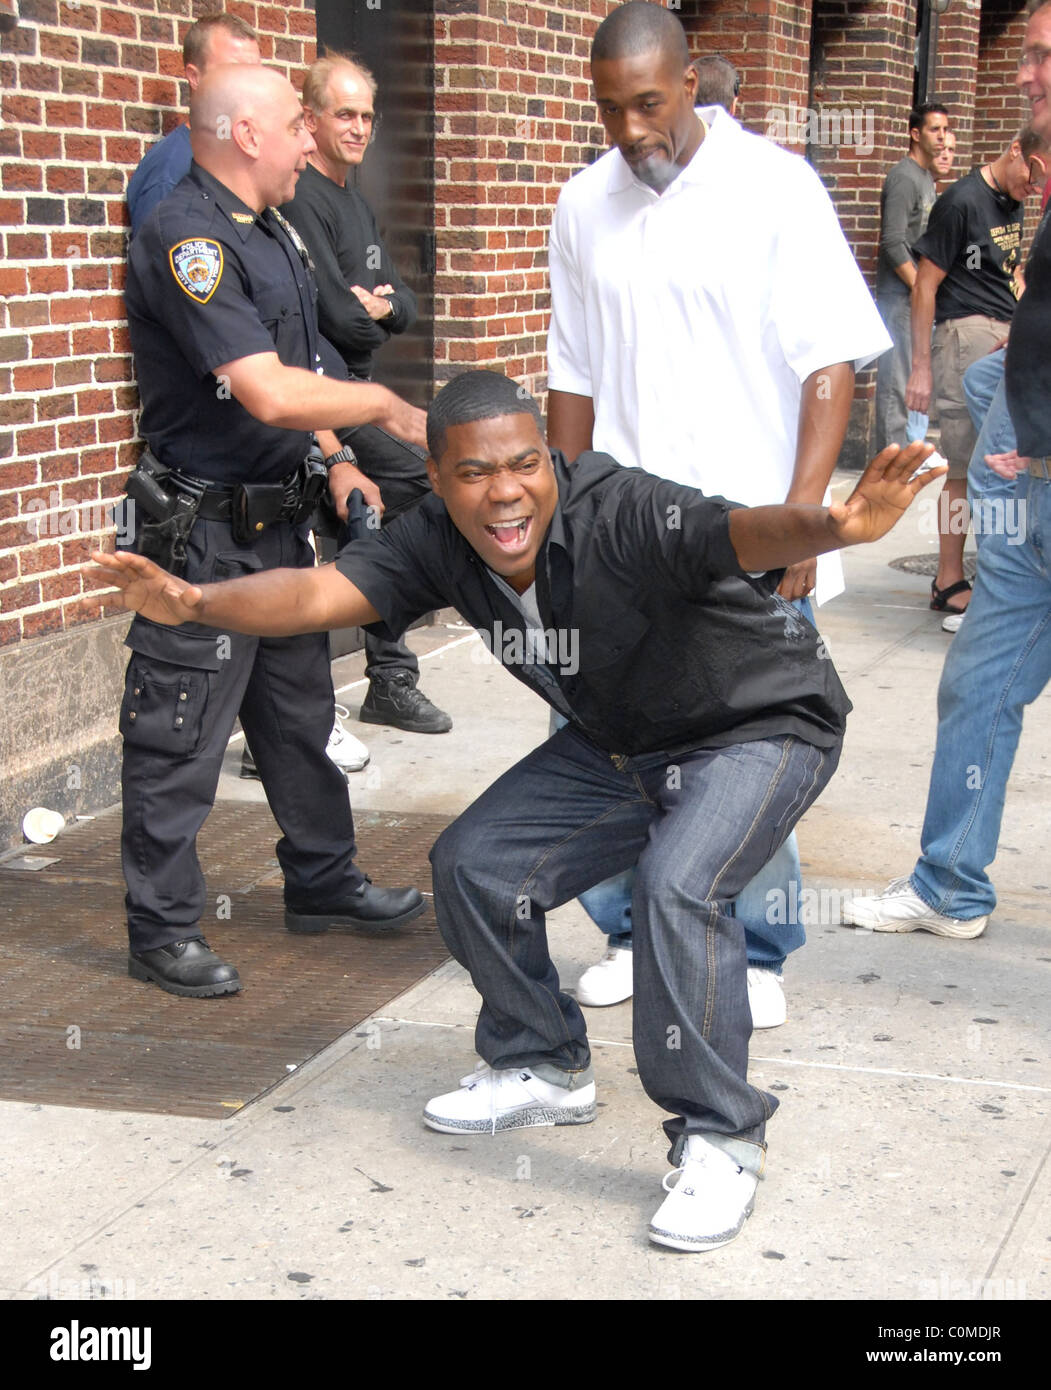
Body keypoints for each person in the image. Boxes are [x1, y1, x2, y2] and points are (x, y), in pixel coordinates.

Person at [92, 370, 946, 1251]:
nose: (505, 490)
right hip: (620, 740)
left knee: (677, 886)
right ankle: (542, 1062)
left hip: (757, 724)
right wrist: (196, 603)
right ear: (437, 477)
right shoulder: (431, 541)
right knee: (475, 864)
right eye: (474, 473)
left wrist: (834, 525)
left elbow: (734, 532)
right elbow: (318, 595)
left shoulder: (620, 509)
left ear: (549, 459)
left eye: (525, 464)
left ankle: (721, 1137)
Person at [546, 1, 890, 1023]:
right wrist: (563, 520)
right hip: (620, 536)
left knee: (753, 738)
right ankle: (624, 929)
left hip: (747, 530)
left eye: (647, 103)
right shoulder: (581, 204)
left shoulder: (775, 188)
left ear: (690, 79)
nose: (631, 131)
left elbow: (827, 360)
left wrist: (803, 517)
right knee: (617, 732)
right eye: (610, 111)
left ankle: (757, 952)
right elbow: (571, 373)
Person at [117, 64, 431, 998]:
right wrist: (383, 405)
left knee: (299, 719)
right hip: (204, 535)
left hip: (280, 521)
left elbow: (302, 368)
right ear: (246, 133)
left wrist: (337, 460)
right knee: (180, 737)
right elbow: (259, 387)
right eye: (298, 124)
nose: (310, 141)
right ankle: (162, 929)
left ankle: (322, 881)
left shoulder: (275, 229)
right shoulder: (186, 237)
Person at [844, 1, 1051, 940]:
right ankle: (949, 882)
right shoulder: (1010, 199)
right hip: (1023, 494)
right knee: (975, 684)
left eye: (1042, 56)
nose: (1023, 73)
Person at [279, 55, 452, 736]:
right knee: (400, 482)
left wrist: (381, 310)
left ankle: (387, 674)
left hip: (350, 386)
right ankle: (320, 702)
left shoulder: (354, 202)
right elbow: (337, 317)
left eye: (365, 116)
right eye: (342, 114)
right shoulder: (299, 198)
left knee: (401, 491)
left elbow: (403, 307)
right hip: (313, 388)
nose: (356, 128)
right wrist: (373, 313)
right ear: (311, 117)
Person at [907, 131, 1042, 617]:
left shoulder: (1014, 201)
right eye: (1033, 174)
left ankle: (994, 577)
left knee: (1005, 464)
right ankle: (948, 580)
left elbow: (1009, 272)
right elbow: (925, 285)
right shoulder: (961, 201)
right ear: (1013, 151)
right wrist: (920, 366)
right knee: (968, 468)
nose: (1036, 186)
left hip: (1004, 335)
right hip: (964, 336)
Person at [126, 12, 260, 236]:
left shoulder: (245, 157)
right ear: (194, 77)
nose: (249, 86)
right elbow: (159, 265)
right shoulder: (170, 172)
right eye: (233, 72)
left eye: (255, 74)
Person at [875, 102, 950, 452]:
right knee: (896, 387)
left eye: (945, 130)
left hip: (916, 299)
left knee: (910, 389)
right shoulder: (904, 177)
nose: (942, 136)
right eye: (935, 130)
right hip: (901, 300)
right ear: (915, 134)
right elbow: (892, 242)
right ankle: (885, 473)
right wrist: (921, 287)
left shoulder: (925, 178)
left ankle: (901, 469)